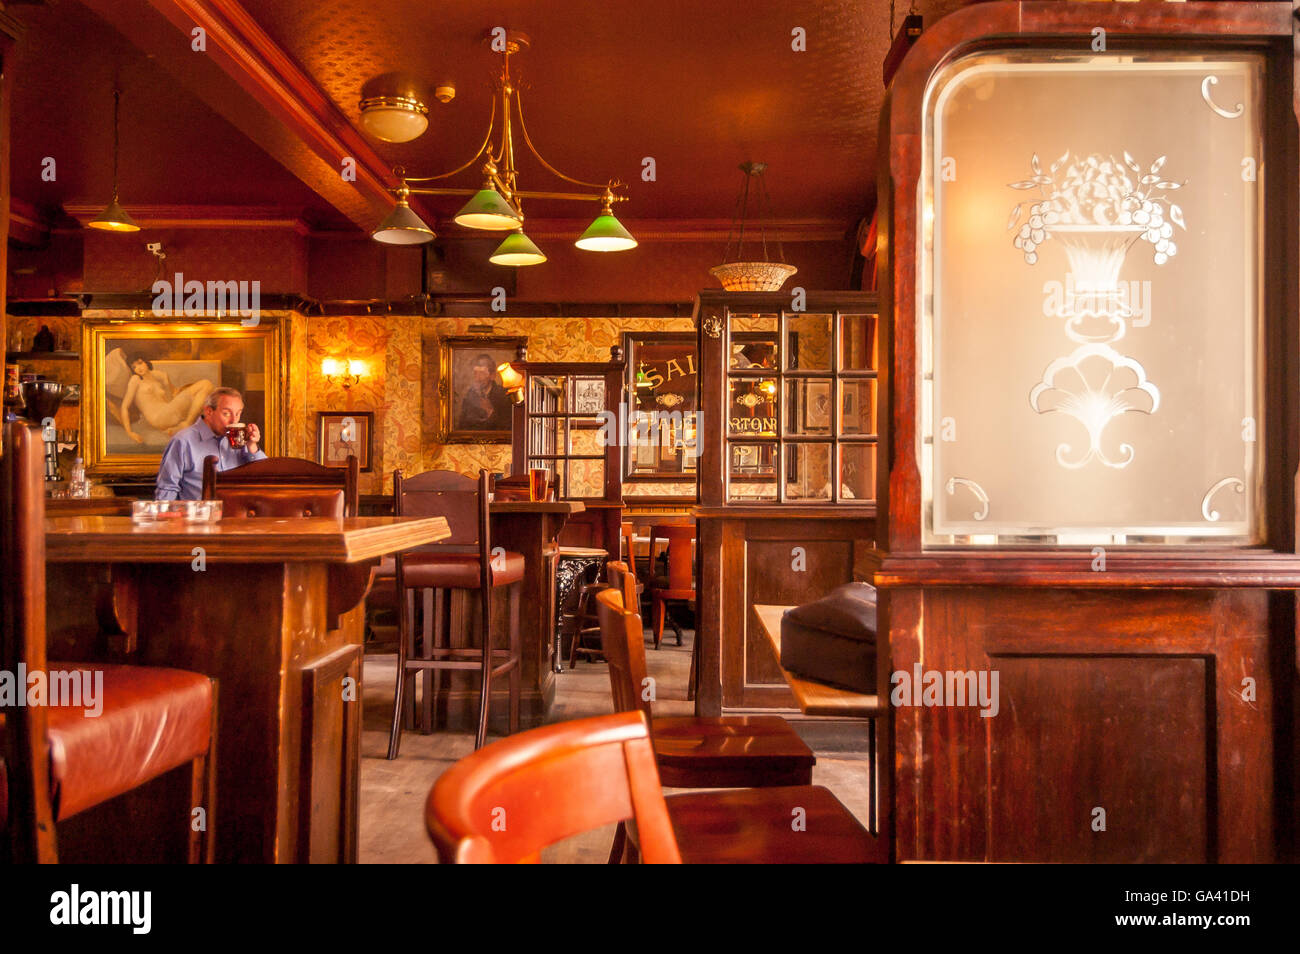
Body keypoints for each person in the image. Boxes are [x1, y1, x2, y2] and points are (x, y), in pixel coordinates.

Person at [155, 386, 265, 500]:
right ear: (209, 412)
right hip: (198, 516)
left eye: (238, 414)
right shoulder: (183, 441)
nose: (234, 420)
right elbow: (167, 489)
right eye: (226, 413)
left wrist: (252, 446)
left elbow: (265, 478)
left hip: (235, 515)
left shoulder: (241, 441)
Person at [120, 355, 216, 443]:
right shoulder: (135, 380)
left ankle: (178, 428)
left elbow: (172, 397)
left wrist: (166, 381)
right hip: (158, 417)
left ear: (146, 362)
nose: (138, 368)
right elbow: (124, 406)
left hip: (168, 414)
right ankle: (186, 423)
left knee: (208, 393)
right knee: (206, 384)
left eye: (140, 363)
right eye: (134, 367)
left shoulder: (157, 377)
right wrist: (130, 433)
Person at [456, 354, 512, 431]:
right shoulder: (470, 395)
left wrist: (490, 412)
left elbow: (508, 428)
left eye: (482, 373)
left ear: (492, 375)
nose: (477, 378)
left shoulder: (504, 395)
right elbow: (462, 426)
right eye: (475, 373)